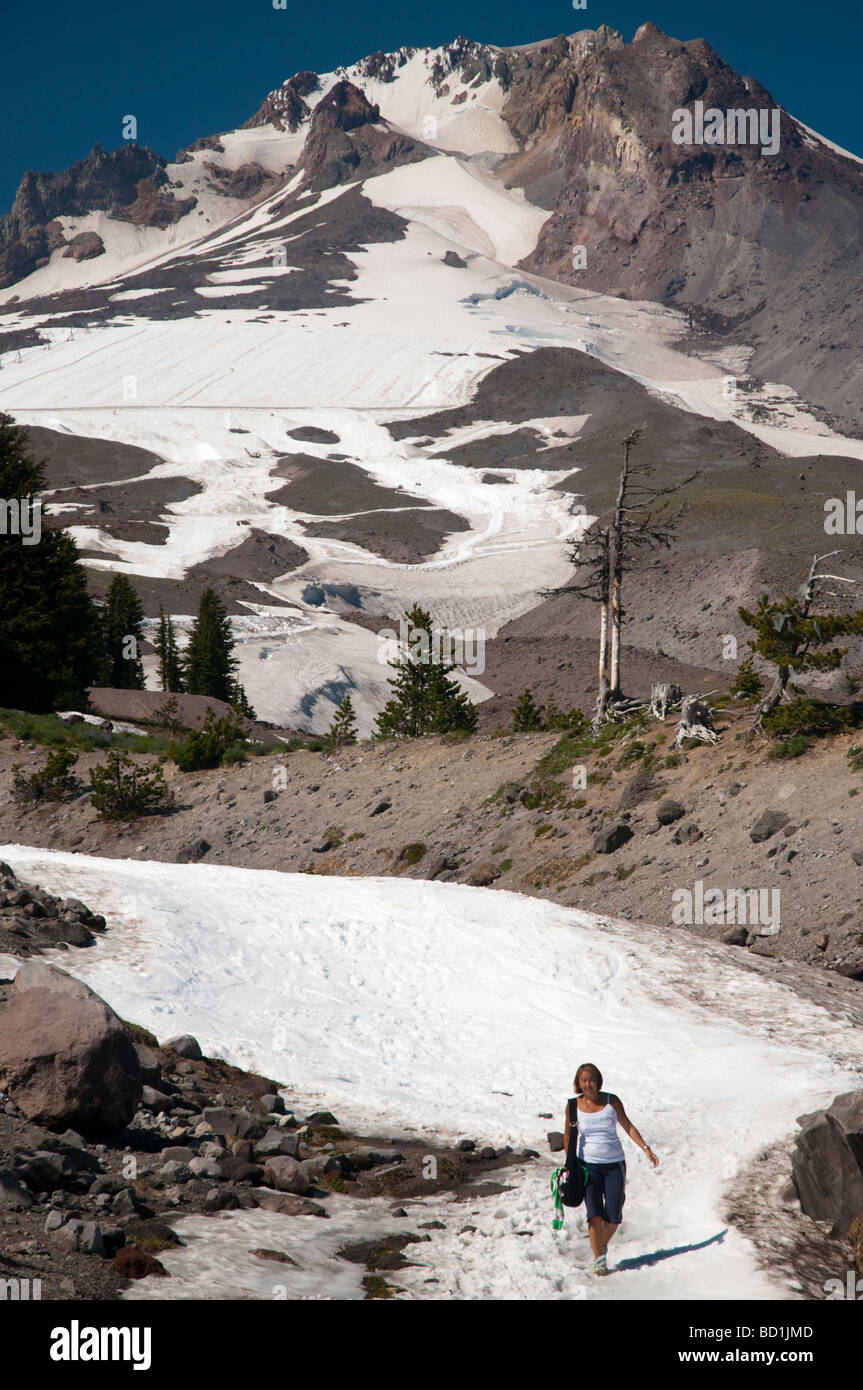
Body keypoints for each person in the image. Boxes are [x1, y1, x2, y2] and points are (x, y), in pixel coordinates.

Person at [563, 1061, 659, 1276]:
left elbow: (628, 1126)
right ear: (578, 1083)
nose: (588, 1084)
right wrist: (569, 1162)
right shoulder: (572, 1106)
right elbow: (568, 1134)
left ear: (598, 1081)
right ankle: (599, 1258)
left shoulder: (612, 1101)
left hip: (614, 1165)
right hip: (587, 1166)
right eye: (584, 1081)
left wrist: (646, 1148)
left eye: (592, 1080)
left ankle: (601, 1244)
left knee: (613, 1216)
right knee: (594, 1214)